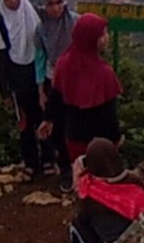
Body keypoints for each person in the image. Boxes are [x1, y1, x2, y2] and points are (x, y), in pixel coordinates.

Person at [68, 137, 144, 243]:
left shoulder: (90, 198)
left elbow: (80, 212)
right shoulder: (135, 183)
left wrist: (78, 177)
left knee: (76, 225)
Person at [0, 0, 46, 178]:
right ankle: (31, 163)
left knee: (44, 116)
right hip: (17, 78)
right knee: (24, 122)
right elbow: (0, 61)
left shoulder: (34, 15)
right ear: (1, 1)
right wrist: (4, 92)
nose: (13, 1)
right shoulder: (0, 26)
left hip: (39, 73)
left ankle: (49, 159)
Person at [51, 13, 122, 168]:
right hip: (101, 142)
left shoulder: (63, 63)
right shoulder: (104, 73)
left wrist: (48, 120)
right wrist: (116, 139)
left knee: (79, 173)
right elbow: (110, 113)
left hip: (73, 136)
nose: (106, 38)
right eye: (102, 35)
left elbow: (56, 98)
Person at [36, 0, 78, 182]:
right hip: (52, 80)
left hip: (75, 79)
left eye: (58, 3)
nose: (55, 8)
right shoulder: (41, 28)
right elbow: (39, 58)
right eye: (50, 4)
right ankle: (65, 168)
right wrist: (40, 90)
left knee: (75, 123)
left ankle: (79, 165)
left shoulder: (75, 22)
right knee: (56, 126)